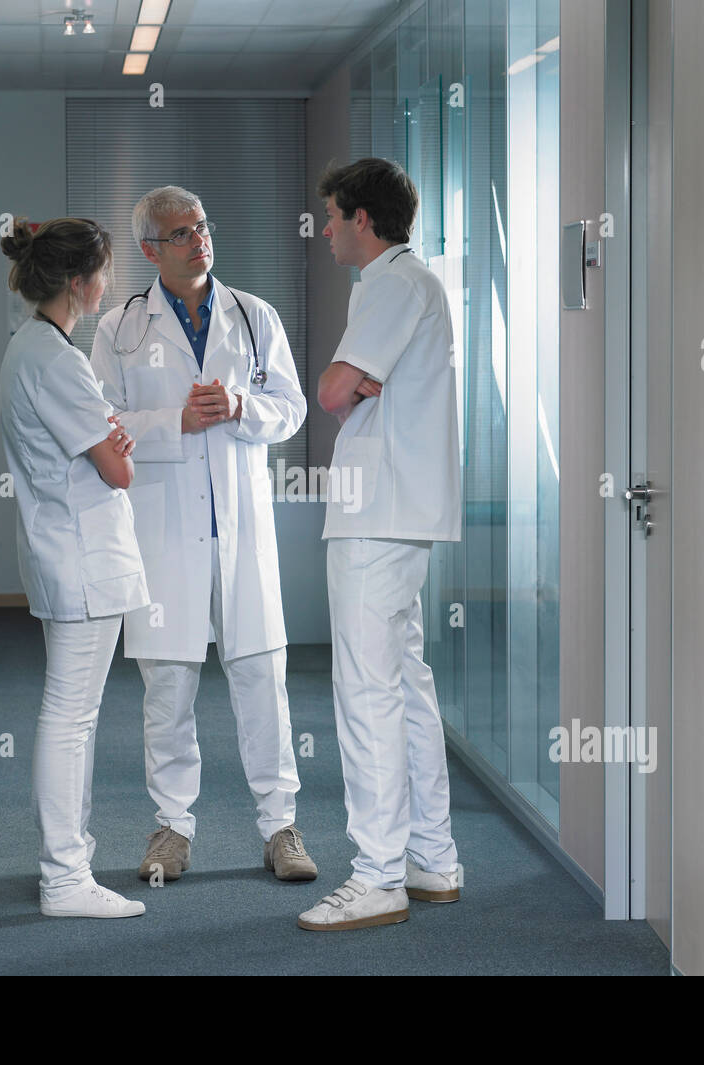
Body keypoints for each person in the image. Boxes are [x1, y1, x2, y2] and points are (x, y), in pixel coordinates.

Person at [90, 186, 317, 884]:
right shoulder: (120, 330)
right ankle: (172, 829)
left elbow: (293, 409)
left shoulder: (255, 316)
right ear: (151, 249)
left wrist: (242, 405)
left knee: (261, 678)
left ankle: (281, 826)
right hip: (165, 533)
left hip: (243, 532)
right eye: (183, 231)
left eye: (204, 225)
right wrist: (174, 422)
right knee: (168, 686)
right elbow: (102, 423)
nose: (200, 238)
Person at [298, 158, 463, 931]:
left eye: (333, 215)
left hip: (378, 514)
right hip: (397, 510)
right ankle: (431, 857)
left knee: (367, 692)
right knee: (406, 684)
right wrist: (359, 382)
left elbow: (330, 391)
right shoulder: (399, 285)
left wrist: (353, 382)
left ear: (364, 218)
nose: (326, 227)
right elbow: (349, 385)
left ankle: (377, 875)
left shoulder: (394, 283)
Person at [0, 216, 150, 919]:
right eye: (104, 271)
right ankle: (64, 877)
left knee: (70, 716)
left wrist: (108, 437)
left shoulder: (30, 346)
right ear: (76, 282)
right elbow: (117, 468)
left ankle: (69, 865)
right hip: (83, 560)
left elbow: (103, 448)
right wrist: (113, 440)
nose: (109, 283)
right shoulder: (58, 361)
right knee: (69, 718)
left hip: (69, 554)